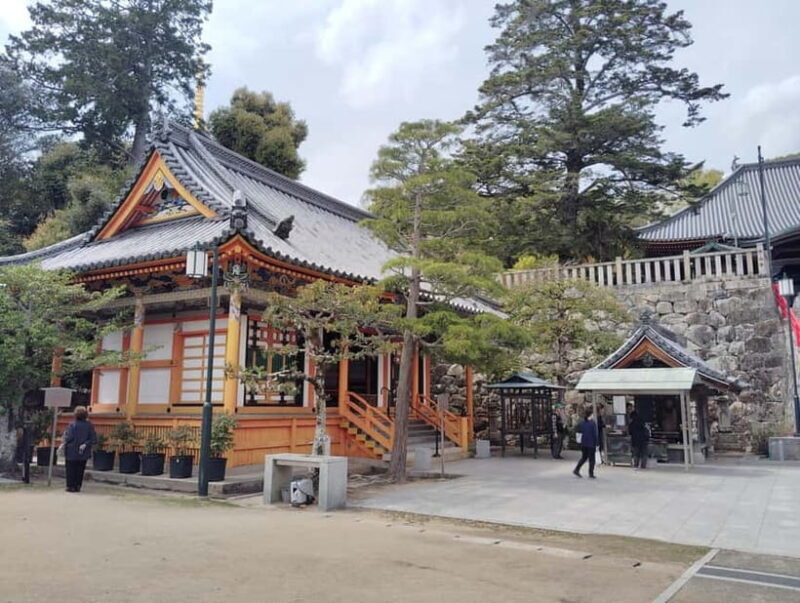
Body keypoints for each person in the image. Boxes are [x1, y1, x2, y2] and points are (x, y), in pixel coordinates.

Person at [61, 406, 97, 493]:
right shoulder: (89, 425)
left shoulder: (72, 425)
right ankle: (78, 486)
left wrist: (63, 439)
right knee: (80, 469)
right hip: (83, 451)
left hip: (71, 450)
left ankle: (70, 486)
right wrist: (86, 443)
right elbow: (94, 439)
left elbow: (69, 437)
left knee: (70, 469)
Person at [573, 408, 598, 479]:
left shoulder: (582, 423)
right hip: (591, 443)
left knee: (584, 457)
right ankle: (591, 473)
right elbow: (594, 434)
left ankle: (577, 469)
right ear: (590, 415)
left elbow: (579, 431)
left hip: (584, 443)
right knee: (592, 459)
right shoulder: (592, 423)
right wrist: (597, 443)